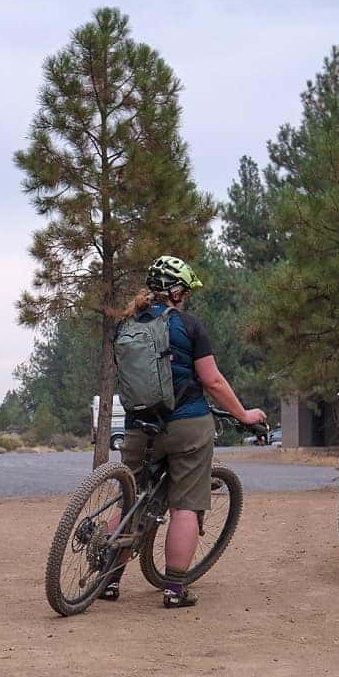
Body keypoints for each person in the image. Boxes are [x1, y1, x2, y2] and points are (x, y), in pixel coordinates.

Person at [102, 255, 267, 609]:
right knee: (186, 506)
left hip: (138, 427)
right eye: (186, 292)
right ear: (176, 291)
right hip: (186, 425)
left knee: (132, 498)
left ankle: (108, 580)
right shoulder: (189, 326)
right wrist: (244, 414)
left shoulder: (126, 325)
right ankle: (175, 589)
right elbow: (213, 381)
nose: (187, 298)